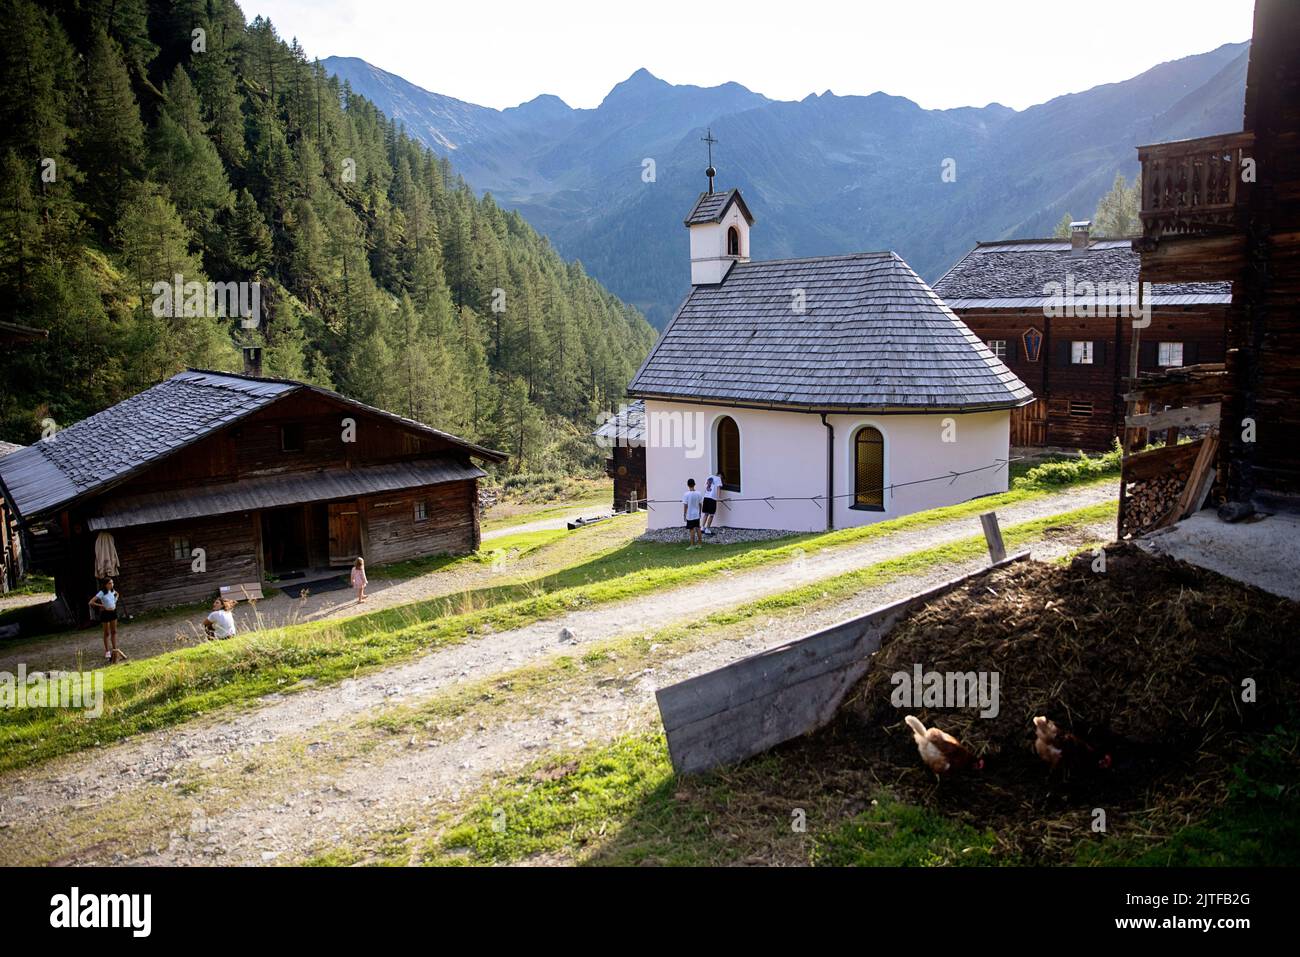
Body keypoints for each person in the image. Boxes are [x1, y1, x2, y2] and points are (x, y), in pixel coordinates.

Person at [89, 578, 124, 662]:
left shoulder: (112, 591)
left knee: (114, 631)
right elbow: (91, 602)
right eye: (110, 583)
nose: (112, 585)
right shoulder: (102, 592)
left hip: (113, 612)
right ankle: (107, 651)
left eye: (112, 583)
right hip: (105, 613)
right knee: (107, 633)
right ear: (105, 584)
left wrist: (115, 600)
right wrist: (103, 606)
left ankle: (115, 649)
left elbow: (117, 594)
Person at [682, 478, 704, 549]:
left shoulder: (686, 494)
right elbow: (700, 504)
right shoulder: (699, 493)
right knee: (698, 528)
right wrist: (700, 512)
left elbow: (685, 506)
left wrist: (684, 514)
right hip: (697, 514)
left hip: (690, 515)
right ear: (694, 484)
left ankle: (692, 545)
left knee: (691, 529)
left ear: (688, 485)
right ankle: (700, 544)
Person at [702, 469, 724, 536]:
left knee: (706, 513)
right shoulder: (718, 478)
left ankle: (702, 527)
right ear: (720, 475)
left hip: (706, 497)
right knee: (711, 515)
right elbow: (718, 488)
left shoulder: (709, 477)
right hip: (712, 499)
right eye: (722, 477)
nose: (721, 479)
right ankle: (707, 529)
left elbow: (705, 486)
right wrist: (719, 498)